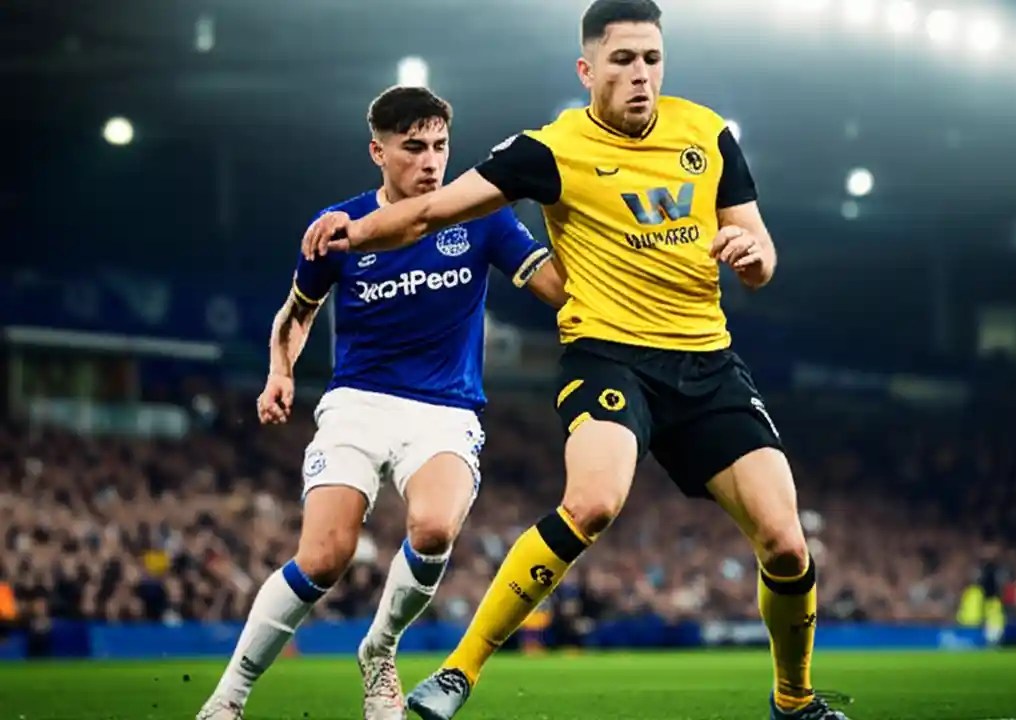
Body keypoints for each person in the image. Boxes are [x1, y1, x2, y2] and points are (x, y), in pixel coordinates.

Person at [301, 2, 849, 718]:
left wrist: (754, 257)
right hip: (608, 354)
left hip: (707, 363)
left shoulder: (707, 135)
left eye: (652, 59)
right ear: (587, 70)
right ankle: (458, 672)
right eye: (622, 61)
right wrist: (357, 231)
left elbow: (759, 251)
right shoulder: (549, 149)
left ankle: (794, 699)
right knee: (592, 502)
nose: (641, 75)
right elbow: (435, 210)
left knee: (785, 544)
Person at [197, 85, 566, 720]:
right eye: (413, 148)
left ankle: (379, 652)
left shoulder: (483, 216)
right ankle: (227, 698)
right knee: (323, 557)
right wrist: (279, 372)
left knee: (433, 528)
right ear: (378, 152)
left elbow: (555, 289)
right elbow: (296, 313)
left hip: (445, 411)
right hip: (357, 405)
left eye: (441, 147)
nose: (431, 162)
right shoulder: (339, 226)